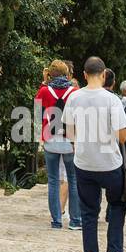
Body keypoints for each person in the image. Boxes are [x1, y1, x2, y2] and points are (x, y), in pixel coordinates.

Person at [62, 57, 126, 252]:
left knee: (89, 213)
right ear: (103, 75)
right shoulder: (111, 100)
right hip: (110, 164)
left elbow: (70, 133)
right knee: (118, 205)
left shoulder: (74, 98)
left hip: (84, 163)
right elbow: (122, 136)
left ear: (84, 74)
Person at [37, 59, 82, 230]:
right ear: (67, 74)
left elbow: (37, 113)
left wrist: (44, 82)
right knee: (73, 179)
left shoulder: (43, 91)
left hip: (50, 140)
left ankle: (56, 221)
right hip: (70, 141)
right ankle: (75, 220)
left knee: (53, 181)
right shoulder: (75, 91)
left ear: (50, 74)